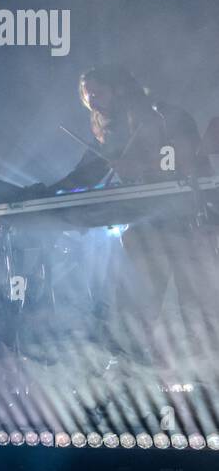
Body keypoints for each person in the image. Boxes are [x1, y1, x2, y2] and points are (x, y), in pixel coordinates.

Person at [27, 66, 217, 363]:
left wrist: (142, 168)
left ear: (117, 89)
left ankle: (206, 373)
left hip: (186, 224)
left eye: (97, 92)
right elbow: (83, 175)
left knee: (197, 307)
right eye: (87, 96)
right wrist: (45, 194)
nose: (92, 100)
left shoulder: (164, 118)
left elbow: (189, 163)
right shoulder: (111, 134)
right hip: (146, 228)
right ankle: (135, 370)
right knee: (136, 306)